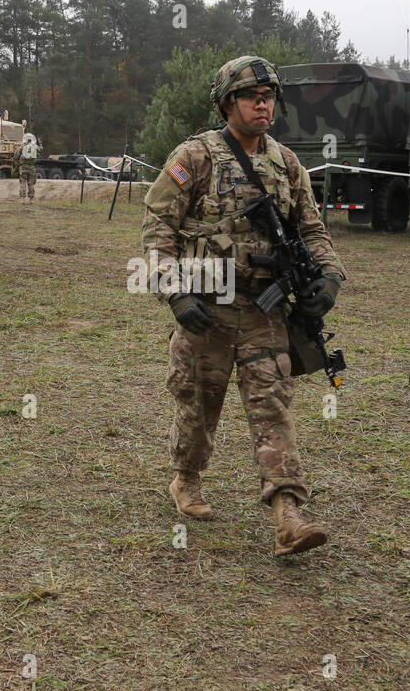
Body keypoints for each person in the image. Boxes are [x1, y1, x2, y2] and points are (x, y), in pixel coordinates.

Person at [141, 56, 344, 556]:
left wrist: (330, 276)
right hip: (206, 306)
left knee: (271, 407)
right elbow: (157, 228)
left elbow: (312, 230)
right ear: (228, 102)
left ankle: (287, 516)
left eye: (269, 96)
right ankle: (185, 479)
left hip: (262, 309)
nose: (263, 104)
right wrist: (176, 292)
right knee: (198, 406)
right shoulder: (195, 156)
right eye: (253, 96)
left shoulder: (287, 163)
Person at [18, 132, 39, 203]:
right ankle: (31, 199)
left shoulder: (22, 147)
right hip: (32, 169)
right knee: (31, 184)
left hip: (23, 168)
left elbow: (16, 155)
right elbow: (38, 156)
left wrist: (18, 163)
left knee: (22, 183)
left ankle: (22, 199)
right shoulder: (35, 147)